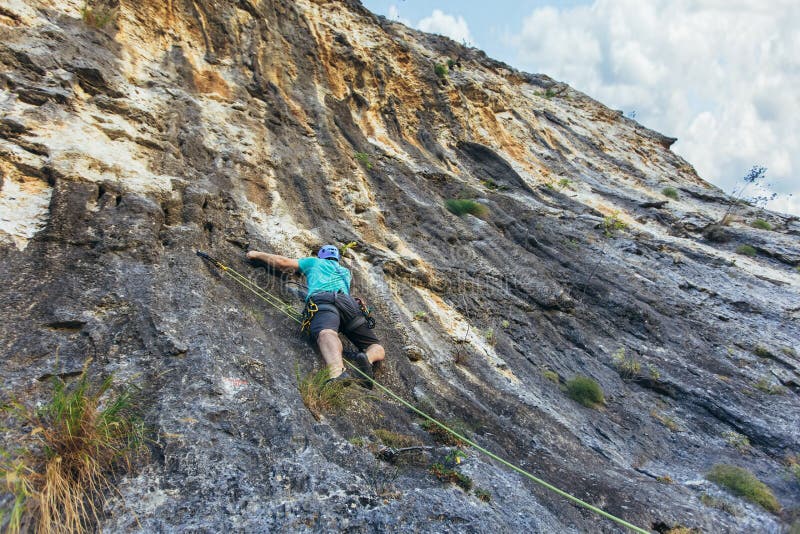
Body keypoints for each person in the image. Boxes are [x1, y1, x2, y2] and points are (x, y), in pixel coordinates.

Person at [246, 245, 385, 386]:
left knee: (326, 332)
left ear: (320, 255)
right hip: (349, 304)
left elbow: (283, 263)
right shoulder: (345, 272)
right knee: (375, 345)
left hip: (325, 300)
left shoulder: (314, 262)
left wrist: (256, 254)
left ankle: (337, 372)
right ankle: (367, 358)